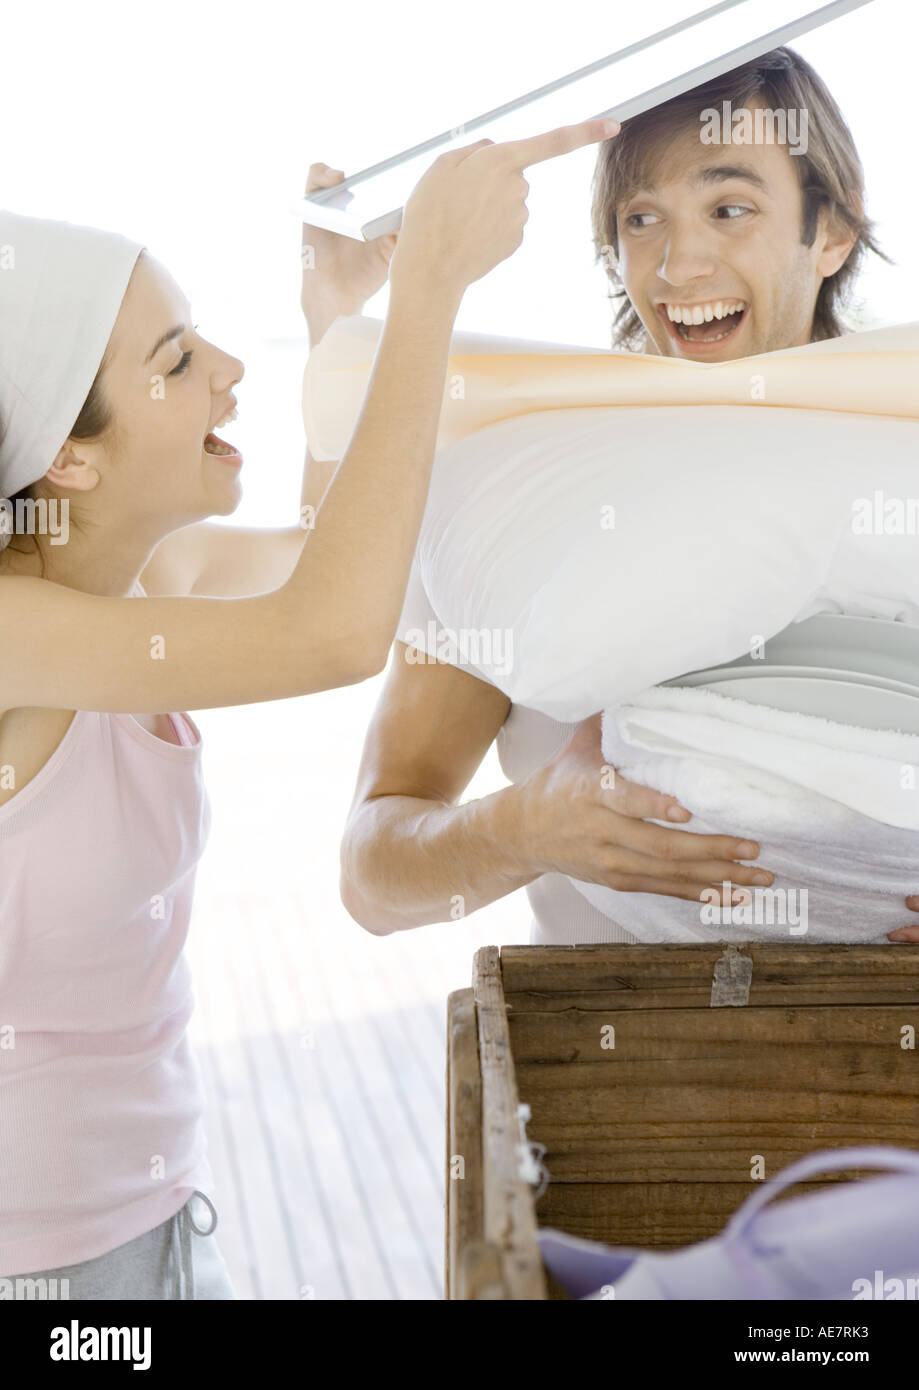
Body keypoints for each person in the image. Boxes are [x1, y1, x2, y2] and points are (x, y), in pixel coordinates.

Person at [0, 114, 618, 1299]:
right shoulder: (16, 636)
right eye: (175, 361)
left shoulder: (146, 582)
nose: (228, 368)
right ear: (67, 460)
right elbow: (330, 634)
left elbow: (321, 563)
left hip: (158, 1219)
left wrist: (343, 318)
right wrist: (433, 287)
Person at [339, 47, 919, 946]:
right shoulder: (526, 490)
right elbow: (373, 875)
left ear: (832, 233)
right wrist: (520, 828)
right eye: (640, 219)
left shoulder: (898, 471)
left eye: (729, 209)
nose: (678, 265)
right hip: (596, 1063)